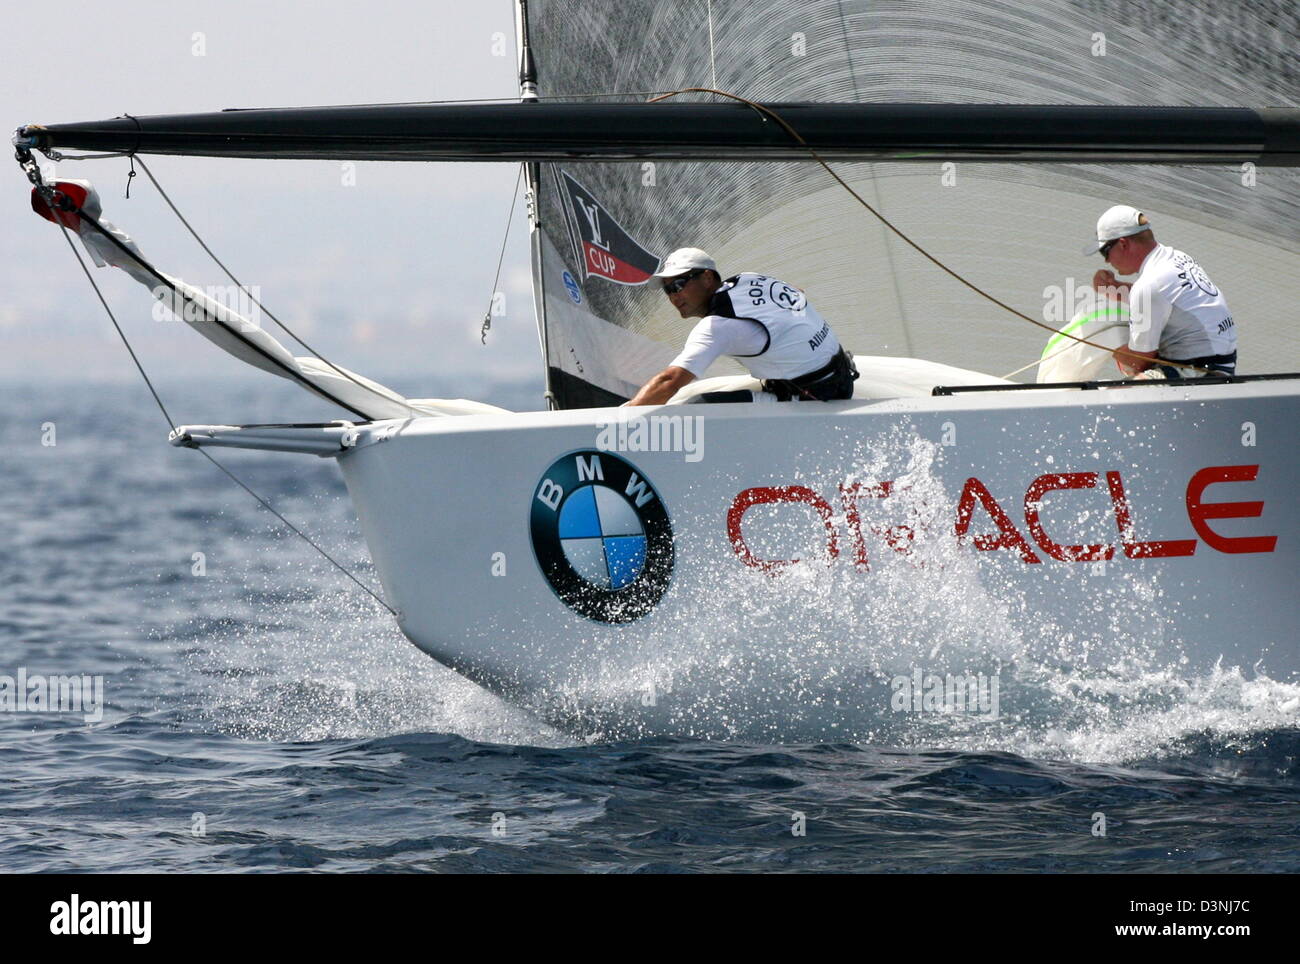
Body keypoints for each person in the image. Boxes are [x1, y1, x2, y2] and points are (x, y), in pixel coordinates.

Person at [624, 247, 858, 406]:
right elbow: (798, 292)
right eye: (668, 289)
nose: (674, 296)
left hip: (814, 399)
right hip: (841, 373)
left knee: (695, 406)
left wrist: (619, 418)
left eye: (679, 284)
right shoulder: (747, 279)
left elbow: (670, 381)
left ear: (707, 278)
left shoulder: (716, 327)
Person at [1086, 205, 1237, 378]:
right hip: (1221, 364)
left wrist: (1104, 343)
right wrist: (1113, 288)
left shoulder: (1149, 285)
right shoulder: (1176, 257)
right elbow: (1161, 299)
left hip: (1199, 373)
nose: (1106, 261)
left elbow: (1138, 361)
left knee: (1110, 397)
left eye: (1105, 252)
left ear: (1123, 244)